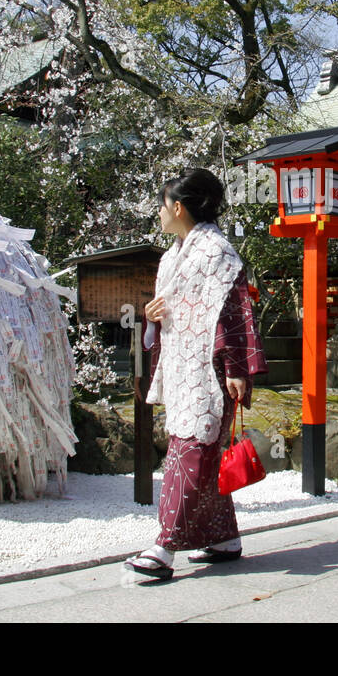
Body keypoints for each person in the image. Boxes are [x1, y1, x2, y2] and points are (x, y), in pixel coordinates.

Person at [124, 169, 267, 582]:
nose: (160, 213)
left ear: (179, 207)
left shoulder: (217, 252)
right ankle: (223, 538)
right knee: (201, 452)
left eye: (163, 205)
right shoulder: (173, 257)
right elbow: (173, 313)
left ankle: (163, 549)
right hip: (183, 364)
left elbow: (234, 312)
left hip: (212, 371)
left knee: (190, 454)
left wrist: (238, 368)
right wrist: (153, 318)